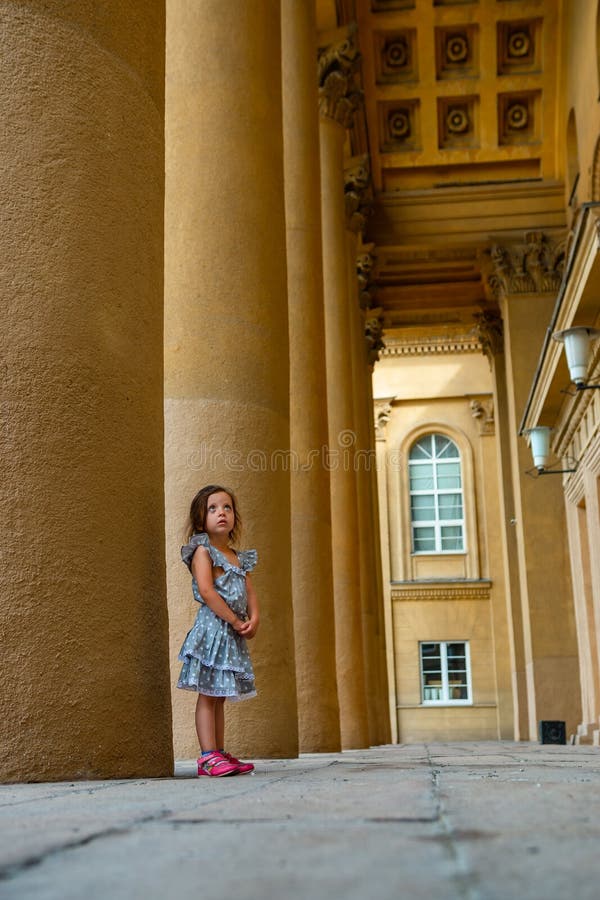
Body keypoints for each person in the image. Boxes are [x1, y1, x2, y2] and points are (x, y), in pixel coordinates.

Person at [177, 484, 259, 777]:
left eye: (227, 508)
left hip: (230, 636)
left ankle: (220, 752)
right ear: (201, 519)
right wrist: (236, 622)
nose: (221, 513)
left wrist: (254, 618)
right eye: (212, 509)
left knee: (219, 694)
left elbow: (249, 591)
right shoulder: (203, 551)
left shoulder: (238, 556)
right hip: (212, 634)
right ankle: (207, 756)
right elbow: (207, 591)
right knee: (208, 695)